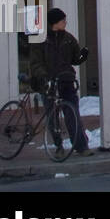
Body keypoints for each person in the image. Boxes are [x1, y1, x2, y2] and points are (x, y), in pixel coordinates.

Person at [31, 8, 91, 155]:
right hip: (49, 82)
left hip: (66, 80)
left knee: (72, 113)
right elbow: (35, 63)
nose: (65, 23)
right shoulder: (40, 39)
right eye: (62, 20)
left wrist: (83, 55)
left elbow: (75, 59)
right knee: (53, 116)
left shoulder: (68, 39)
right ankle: (58, 146)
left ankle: (81, 146)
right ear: (54, 23)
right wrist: (44, 76)